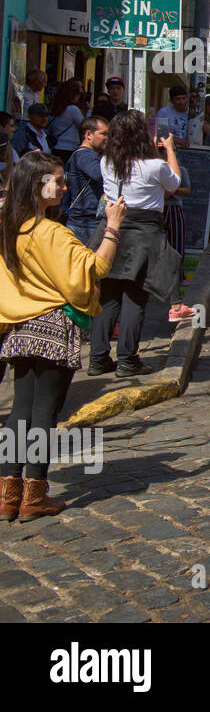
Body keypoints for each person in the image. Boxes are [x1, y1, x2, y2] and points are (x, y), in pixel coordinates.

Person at [0, 154, 128, 522]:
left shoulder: (11, 227)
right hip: (53, 326)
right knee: (44, 412)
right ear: (39, 185)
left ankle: (9, 494)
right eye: (57, 180)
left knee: (19, 413)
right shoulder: (51, 232)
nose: (64, 185)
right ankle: (34, 494)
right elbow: (94, 268)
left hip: (19, 327)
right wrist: (113, 226)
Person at [88, 112, 182, 378]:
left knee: (108, 296)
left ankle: (98, 358)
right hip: (144, 232)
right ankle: (128, 359)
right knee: (135, 296)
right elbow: (174, 183)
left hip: (113, 229)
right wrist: (170, 150)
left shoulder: (107, 161)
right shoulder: (154, 165)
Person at [63, 115, 110, 245]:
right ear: (88, 134)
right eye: (103, 134)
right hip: (85, 224)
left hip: (87, 223)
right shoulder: (84, 154)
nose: (108, 138)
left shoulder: (89, 155)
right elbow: (100, 175)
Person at [162, 162, 196, 323]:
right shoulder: (156, 167)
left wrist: (171, 190)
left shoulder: (180, 169)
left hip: (174, 209)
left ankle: (175, 303)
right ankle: (174, 304)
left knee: (176, 252)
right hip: (156, 212)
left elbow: (185, 190)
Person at [47, 81, 86, 163]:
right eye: (78, 93)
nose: (79, 97)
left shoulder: (53, 108)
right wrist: (89, 111)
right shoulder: (72, 109)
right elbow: (84, 126)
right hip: (70, 148)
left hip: (54, 146)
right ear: (72, 94)